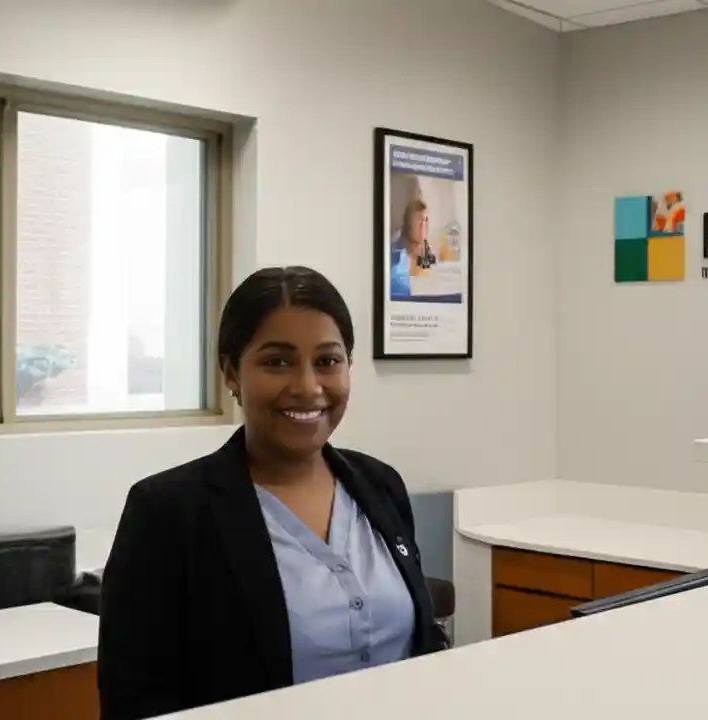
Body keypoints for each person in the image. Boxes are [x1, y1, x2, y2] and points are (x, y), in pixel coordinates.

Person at [97, 266, 448, 720]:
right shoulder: (168, 512)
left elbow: (421, 647)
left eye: (327, 361)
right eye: (277, 361)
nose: (307, 387)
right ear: (230, 372)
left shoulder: (380, 485)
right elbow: (134, 700)